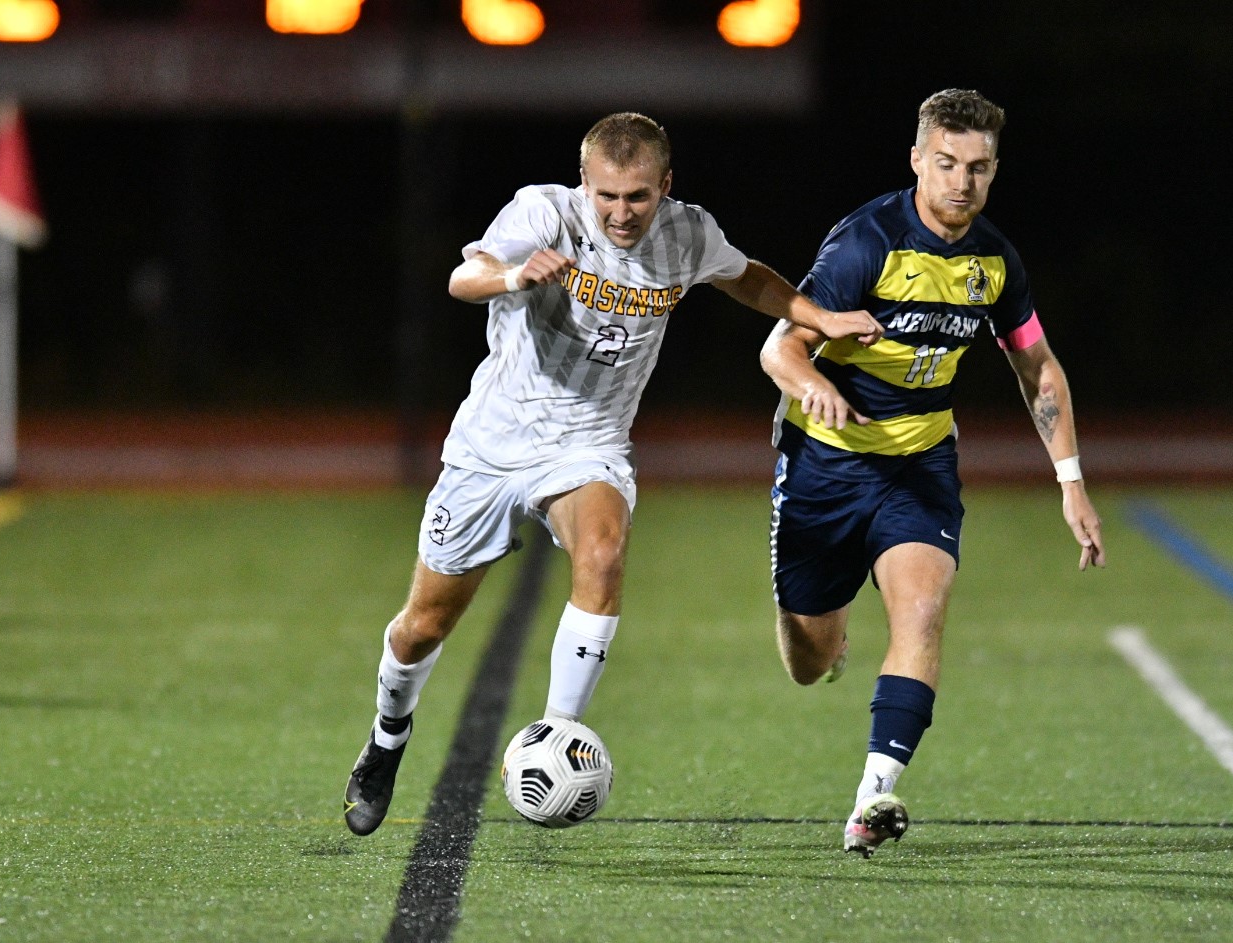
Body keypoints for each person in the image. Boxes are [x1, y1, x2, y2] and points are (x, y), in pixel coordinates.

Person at [343, 111, 884, 837]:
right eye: (606, 196)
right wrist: (514, 273)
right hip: (492, 445)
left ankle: (556, 733)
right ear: (583, 184)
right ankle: (386, 739)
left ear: (665, 185)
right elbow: (463, 278)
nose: (621, 212)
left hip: (588, 443)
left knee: (602, 553)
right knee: (422, 627)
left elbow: (745, 277)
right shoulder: (545, 212)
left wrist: (818, 316)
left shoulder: (687, 233)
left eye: (637, 196)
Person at [761, 89, 1106, 857]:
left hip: (919, 464)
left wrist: (1070, 481)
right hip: (825, 465)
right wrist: (812, 384)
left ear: (993, 170)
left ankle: (871, 800)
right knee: (807, 659)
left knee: (920, 613)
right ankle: (827, 635)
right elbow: (779, 346)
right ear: (917, 159)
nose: (961, 182)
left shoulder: (994, 261)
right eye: (946, 163)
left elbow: (1036, 367)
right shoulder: (866, 243)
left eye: (977, 168)